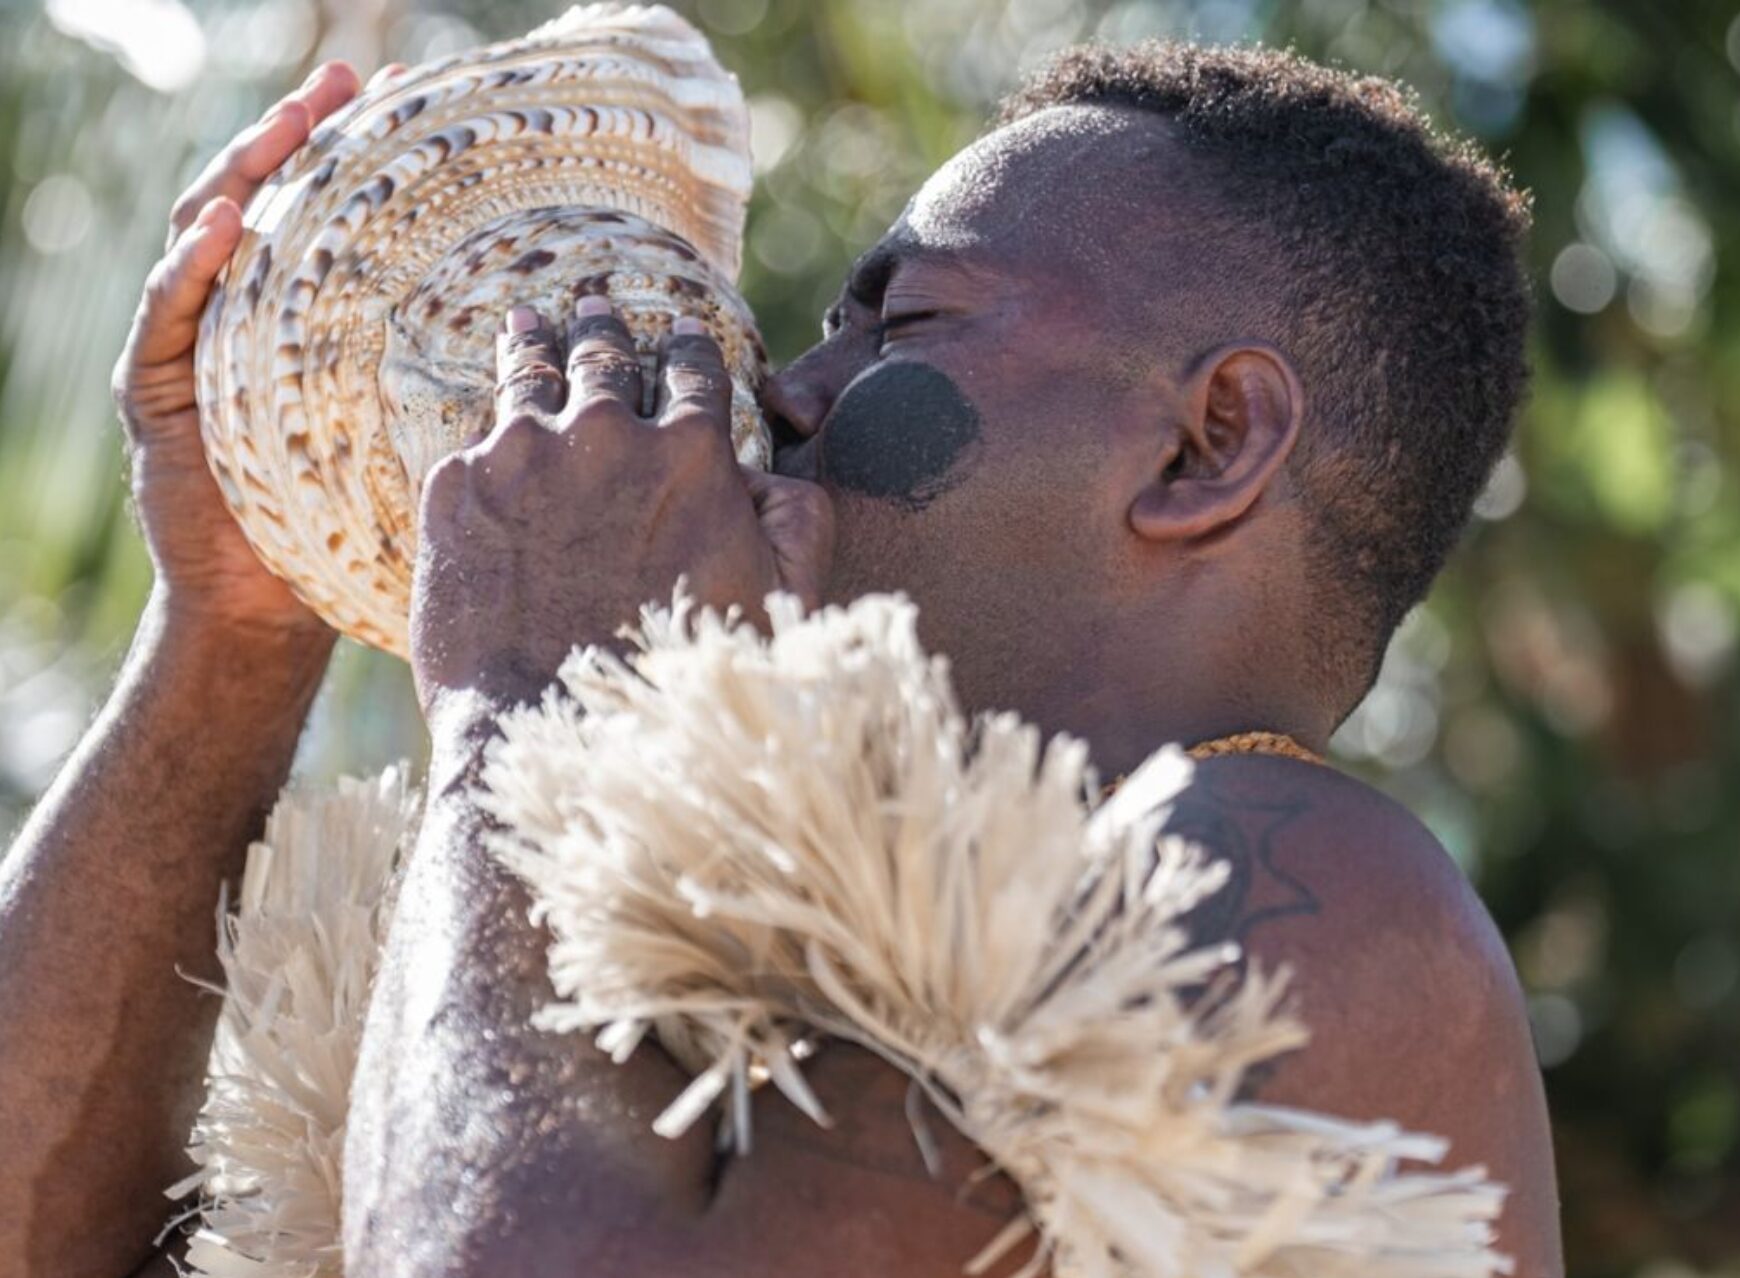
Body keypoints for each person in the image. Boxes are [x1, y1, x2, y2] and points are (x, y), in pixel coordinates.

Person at [0, 40, 1561, 1278]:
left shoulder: (1309, 895)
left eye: (909, 320)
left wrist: (534, 688)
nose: (786, 388)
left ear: (1208, 444)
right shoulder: (687, 932)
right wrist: (234, 620)